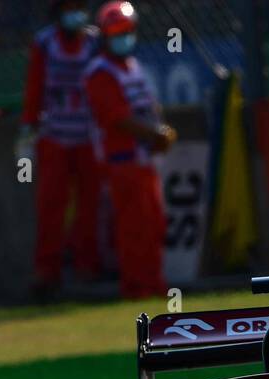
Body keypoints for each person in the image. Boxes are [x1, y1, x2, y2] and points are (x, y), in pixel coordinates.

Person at [84, 1, 176, 300]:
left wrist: (158, 130)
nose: (122, 36)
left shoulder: (132, 66)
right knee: (134, 227)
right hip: (122, 161)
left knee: (153, 223)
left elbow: (148, 106)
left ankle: (153, 281)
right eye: (115, 31)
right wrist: (155, 133)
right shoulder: (100, 72)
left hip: (144, 160)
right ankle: (137, 287)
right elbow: (116, 117)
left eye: (126, 30)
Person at [21, 0, 100, 298]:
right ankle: (47, 271)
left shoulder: (94, 41)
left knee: (89, 205)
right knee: (51, 204)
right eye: (69, 7)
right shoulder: (44, 43)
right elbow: (34, 88)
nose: (75, 13)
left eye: (80, 7)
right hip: (53, 137)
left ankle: (87, 266)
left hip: (88, 137)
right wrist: (28, 130)